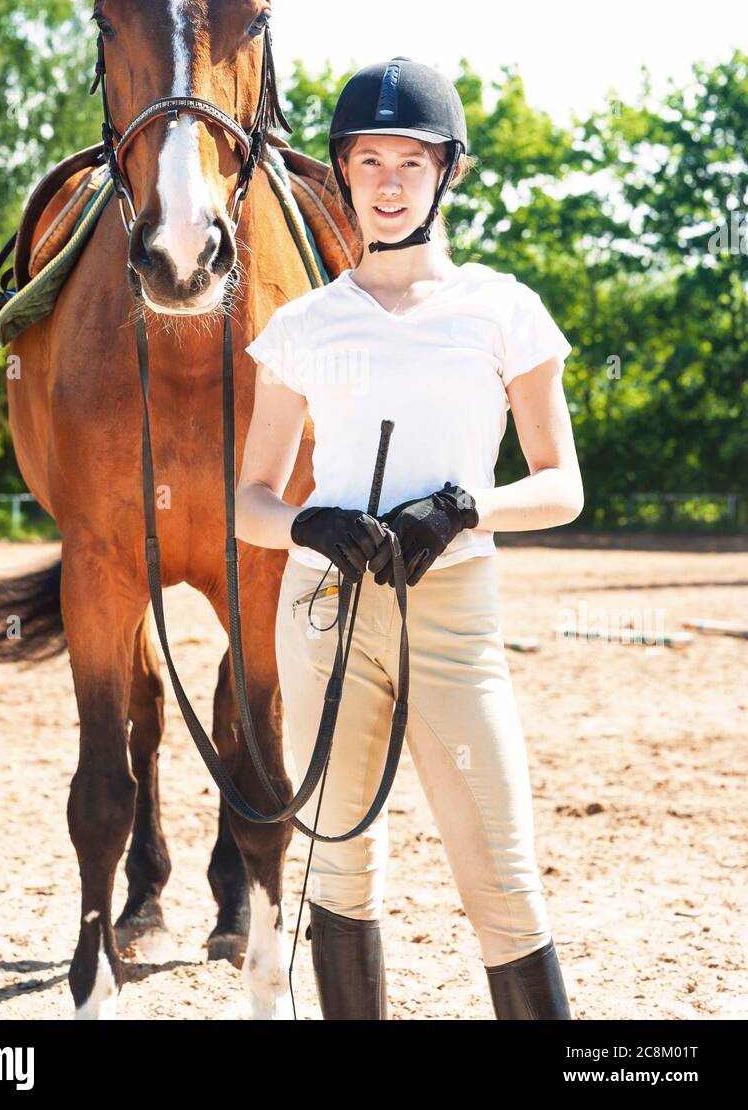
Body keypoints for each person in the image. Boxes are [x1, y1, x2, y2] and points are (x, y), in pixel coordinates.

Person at [236, 56, 582, 1020]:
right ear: (342, 172)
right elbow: (249, 501)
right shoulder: (299, 326)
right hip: (323, 613)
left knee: (501, 875)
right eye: (368, 161)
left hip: (451, 611)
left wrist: (467, 506)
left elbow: (561, 485)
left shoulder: (502, 310)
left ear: (445, 174)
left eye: (410, 164)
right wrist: (310, 521)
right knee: (338, 868)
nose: (387, 185)